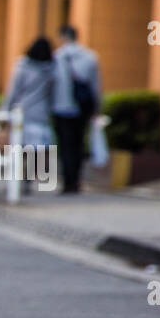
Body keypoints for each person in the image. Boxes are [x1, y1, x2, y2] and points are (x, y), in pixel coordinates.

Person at [51, 24, 102, 195]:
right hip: (82, 108)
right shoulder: (90, 57)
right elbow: (96, 86)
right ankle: (76, 180)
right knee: (79, 144)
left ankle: (68, 181)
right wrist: (96, 108)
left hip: (61, 107)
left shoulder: (57, 57)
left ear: (63, 37)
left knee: (65, 145)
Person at [6, 36, 56, 195]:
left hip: (23, 112)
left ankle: (19, 178)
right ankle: (29, 178)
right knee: (37, 149)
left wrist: (5, 111)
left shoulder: (22, 66)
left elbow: (13, 91)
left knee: (21, 147)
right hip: (41, 114)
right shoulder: (52, 69)